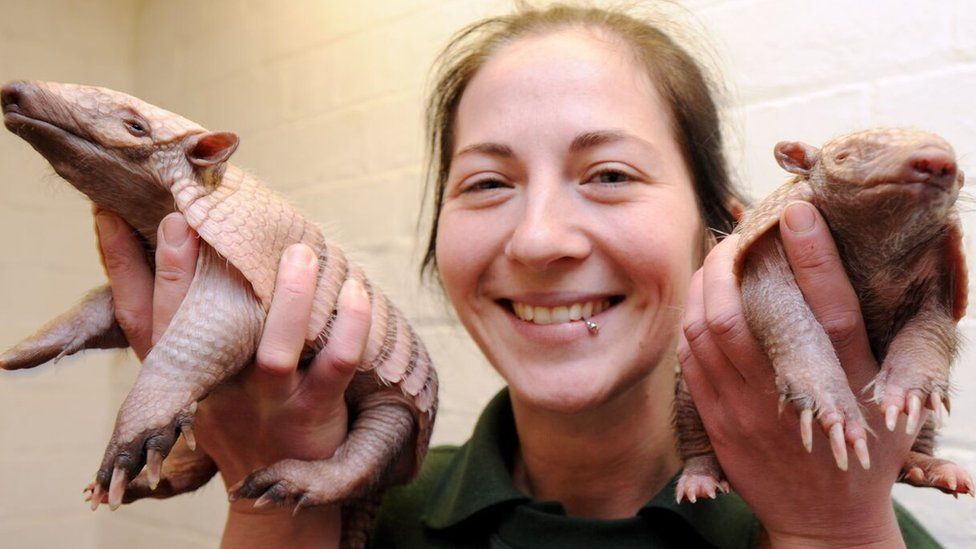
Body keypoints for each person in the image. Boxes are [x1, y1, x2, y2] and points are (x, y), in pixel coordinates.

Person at [92, 4, 940, 548]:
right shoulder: (374, 514)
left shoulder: (857, 519)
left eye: (609, 174)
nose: (538, 239)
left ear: (719, 231)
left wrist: (829, 530)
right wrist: (268, 499)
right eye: (488, 183)